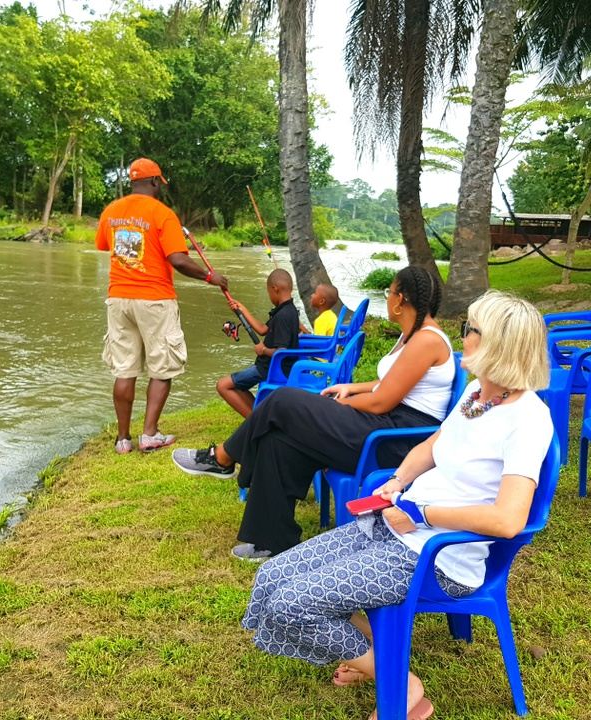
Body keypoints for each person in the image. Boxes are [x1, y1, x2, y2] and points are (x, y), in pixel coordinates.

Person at [240, 290, 553, 720]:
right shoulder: (479, 394)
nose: (462, 337)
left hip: (437, 557)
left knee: (290, 605)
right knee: (271, 578)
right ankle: (374, 657)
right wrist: (398, 481)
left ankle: (401, 683)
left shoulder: (528, 420)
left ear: (498, 344)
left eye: (470, 330)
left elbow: (508, 519)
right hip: (395, 524)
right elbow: (433, 444)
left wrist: (424, 515)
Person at [172, 265, 455, 561]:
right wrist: (352, 387)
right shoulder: (412, 336)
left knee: (282, 401)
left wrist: (341, 405)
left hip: (393, 440)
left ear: (401, 299)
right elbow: (393, 382)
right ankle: (273, 540)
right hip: (383, 424)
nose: (387, 299)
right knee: (279, 439)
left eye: (389, 292)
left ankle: (222, 458)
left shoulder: (427, 340)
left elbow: (380, 402)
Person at [95, 156, 228, 454]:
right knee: (162, 368)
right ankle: (149, 434)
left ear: (133, 182)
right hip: (154, 299)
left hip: (118, 299)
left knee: (124, 369)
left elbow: (107, 245)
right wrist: (211, 276)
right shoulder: (163, 214)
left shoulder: (111, 212)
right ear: (155, 182)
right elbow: (178, 260)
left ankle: (123, 439)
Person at [216, 269, 300, 418]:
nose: (269, 296)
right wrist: (241, 308)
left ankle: (255, 424)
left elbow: (281, 351)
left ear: (275, 289)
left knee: (223, 385)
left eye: (269, 292)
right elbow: (262, 329)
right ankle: (259, 418)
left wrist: (263, 350)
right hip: (270, 366)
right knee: (238, 386)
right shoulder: (288, 310)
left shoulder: (283, 316)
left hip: (269, 368)